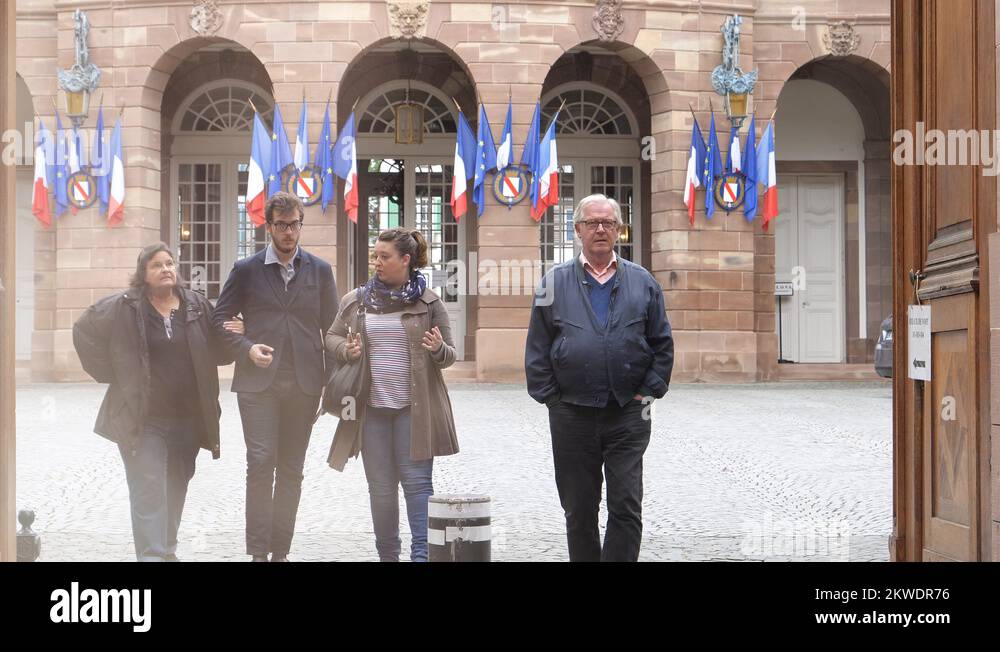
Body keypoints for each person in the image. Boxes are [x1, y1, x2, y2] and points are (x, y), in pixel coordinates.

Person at [525, 194, 674, 562]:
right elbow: (537, 347)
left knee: (625, 505)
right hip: (571, 414)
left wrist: (648, 390)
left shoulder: (643, 282)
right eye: (592, 223)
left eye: (608, 223)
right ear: (577, 230)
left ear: (619, 231)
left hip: (627, 413)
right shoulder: (553, 282)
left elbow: (662, 343)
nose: (601, 229)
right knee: (579, 509)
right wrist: (552, 399)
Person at [73, 242, 240, 561]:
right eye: (157, 265)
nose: (166, 269)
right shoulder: (124, 306)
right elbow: (83, 330)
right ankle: (152, 555)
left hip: (188, 421)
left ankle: (166, 550)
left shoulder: (196, 305)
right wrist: (114, 372)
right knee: (148, 489)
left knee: (175, 489)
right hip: (143, 420)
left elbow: (218, 351)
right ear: (143, 274)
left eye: (170, 263)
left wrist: (236, 335)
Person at [213, 191, 338, 562]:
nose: (288, 232)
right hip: (257, 383)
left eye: (294, 224)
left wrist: (331, 383)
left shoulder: (320, 270)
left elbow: (331, 329)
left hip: (304, 383)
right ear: (269, 226)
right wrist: (247, 347)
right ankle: (256, 553)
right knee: (260, 462)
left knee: (291, 469)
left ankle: (280, 552)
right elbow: (219, 320)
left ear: (301, 224)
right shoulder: (246, 269)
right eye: (281, 225)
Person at [325, 227, 459, 562]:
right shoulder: (356, 301)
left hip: (414, 411)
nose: (377, 262)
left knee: (417, 487)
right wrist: (347, 349)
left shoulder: (429, 302)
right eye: (375, 256)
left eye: (384, 257)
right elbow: (330, 337)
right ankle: (388, 556)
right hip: (371, 409)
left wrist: (438, 348)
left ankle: (421, 556)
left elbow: (450, 354)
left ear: (405, 260)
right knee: (381, 491)